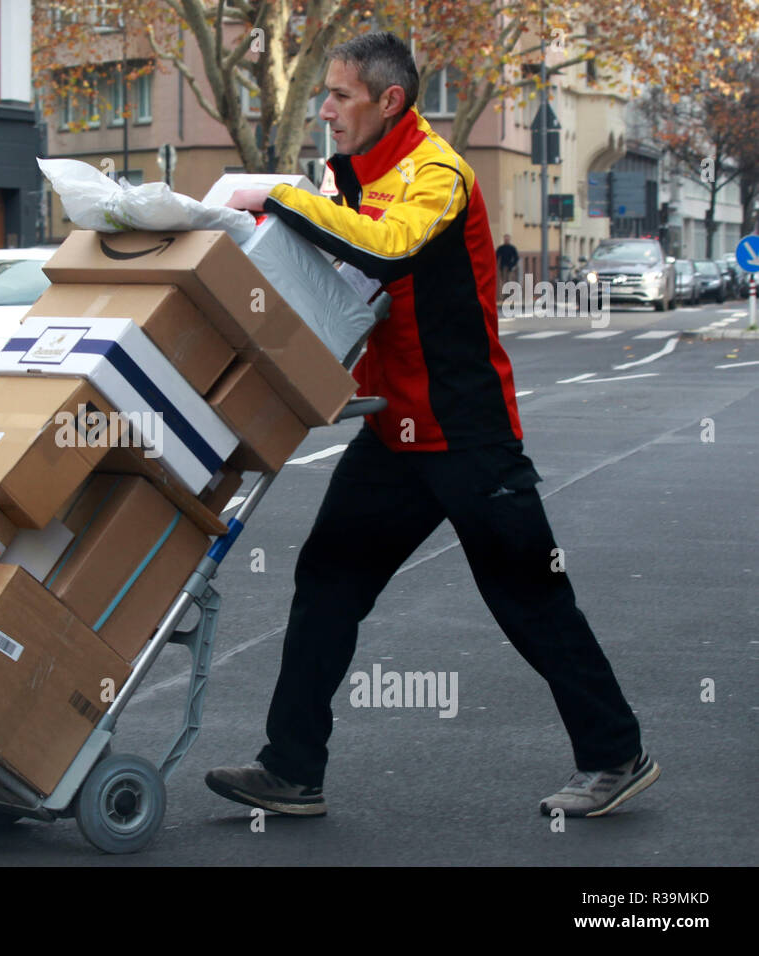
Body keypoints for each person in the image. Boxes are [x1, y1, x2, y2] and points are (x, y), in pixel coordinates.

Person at [208, 30, 658, 819]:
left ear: (389, 101)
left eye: (340, 96)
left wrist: (277, 195)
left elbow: (389, 251)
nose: (325, 110)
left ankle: (616, 755)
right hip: (395, 433)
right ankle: (291, 769)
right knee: (327, 581)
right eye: (324, 96)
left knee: (531, 597)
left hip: (467, 432)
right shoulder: (352, 176)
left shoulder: (435, 174)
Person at [496, 234, 519, 299]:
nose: (506, 240)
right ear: (504, 239)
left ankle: (510, 295)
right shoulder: (501, 248)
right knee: (503, 281)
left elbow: (516, 258)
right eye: (505, 239)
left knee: (509, 281)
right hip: (502, 267)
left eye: (507, 239)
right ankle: (504, 296)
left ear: (509, 239)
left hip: (510, 268)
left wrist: (512, 265)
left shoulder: (512, 248)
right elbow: (496, 257)